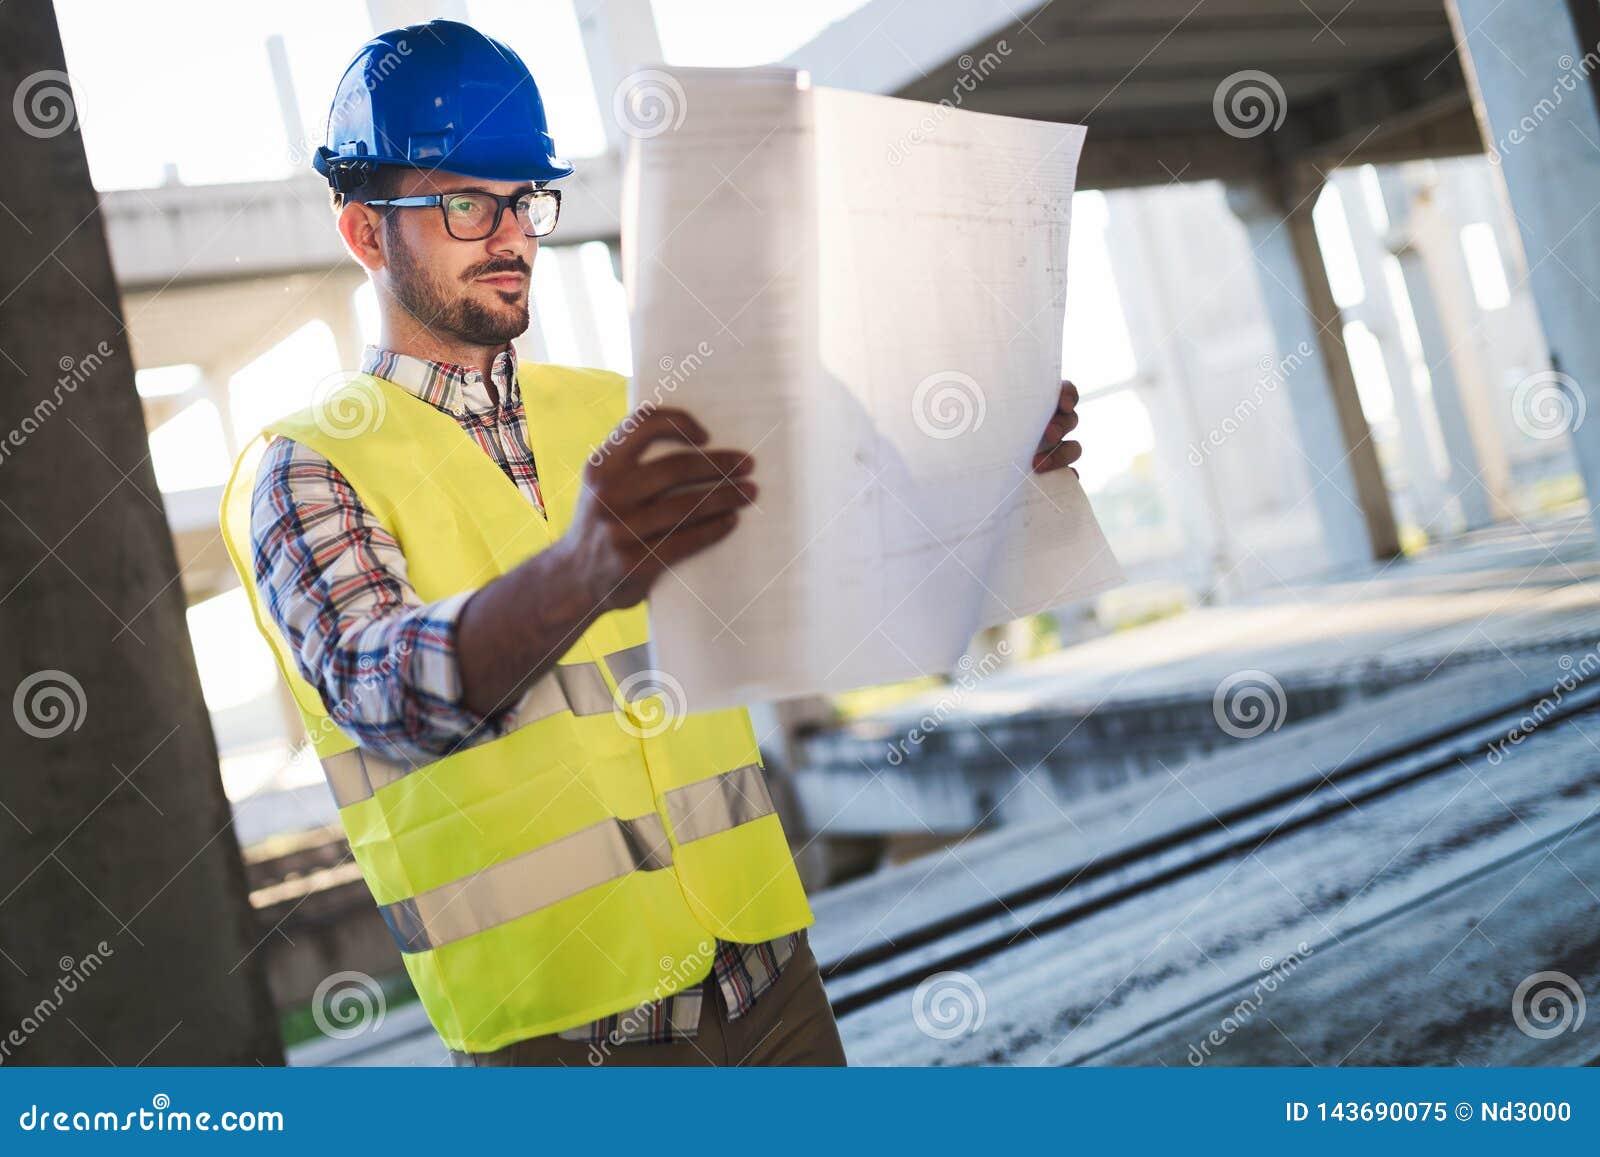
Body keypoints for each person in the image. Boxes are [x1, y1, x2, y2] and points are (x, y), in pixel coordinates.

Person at [218, 18, 1082, 1068]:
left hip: (768, 978)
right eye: (465, 202)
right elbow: (381, 693)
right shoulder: (307, 467)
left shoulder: (624, 411)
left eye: (526, 198)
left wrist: (988, 474)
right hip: (567, 1040)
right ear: (364, 233)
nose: (511, 233)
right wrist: (584, 568)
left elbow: (821, 570)